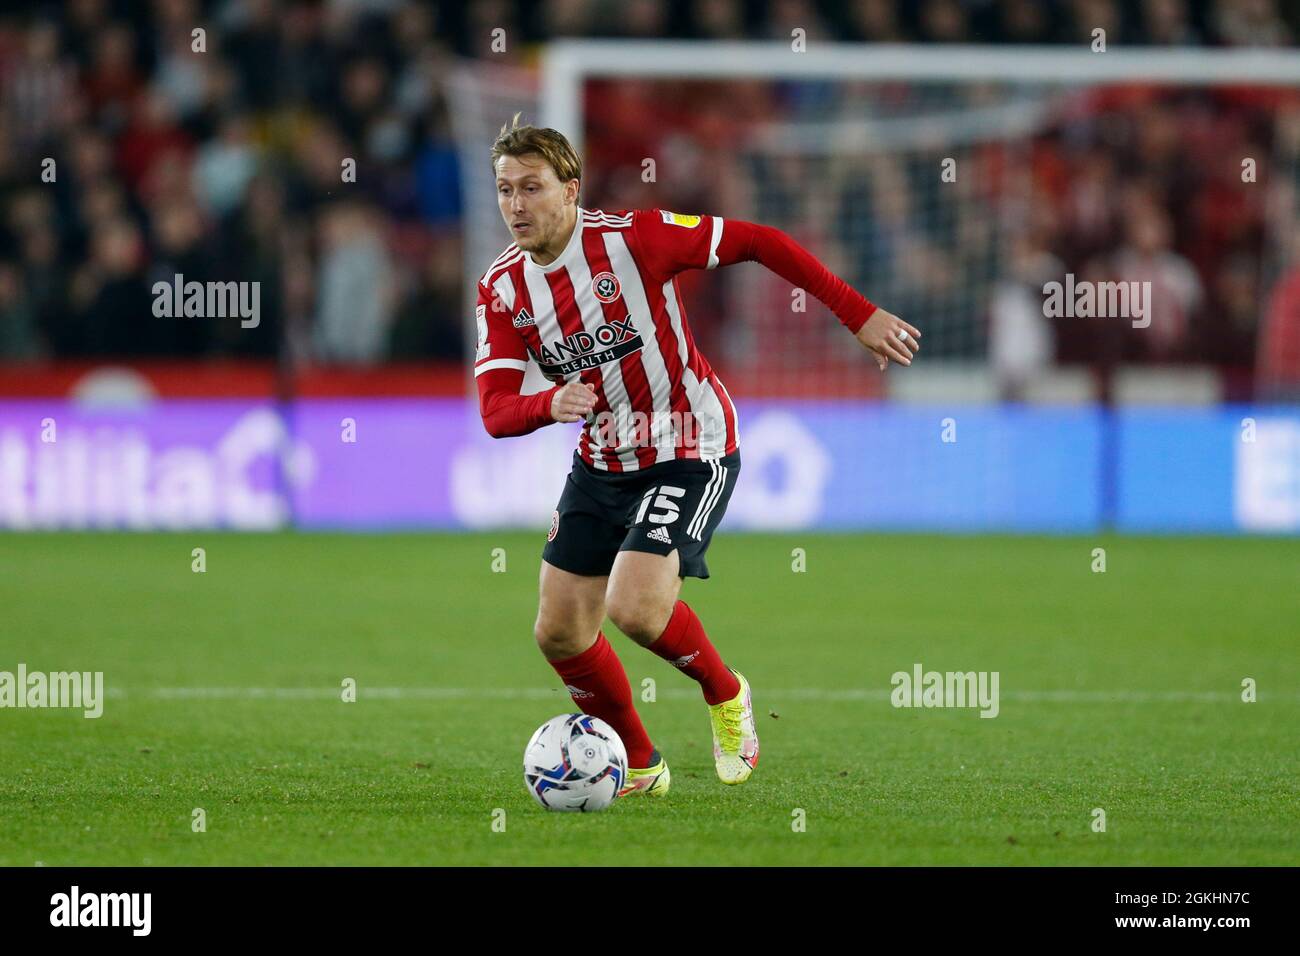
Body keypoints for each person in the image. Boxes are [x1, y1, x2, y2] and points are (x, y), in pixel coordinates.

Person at [474, 115, 919, 796]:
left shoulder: (635, 240)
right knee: (559, 632)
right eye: (505, 190)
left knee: (635, 608)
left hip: (691, 443)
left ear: (571, 189)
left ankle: (725, 692)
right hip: (602, 462)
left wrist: (855, 313)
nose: (515, 205)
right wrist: (548, 404)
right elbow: (497, 410)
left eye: (531, 188)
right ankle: (643, 765)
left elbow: (758, 240)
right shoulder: (502, 288)